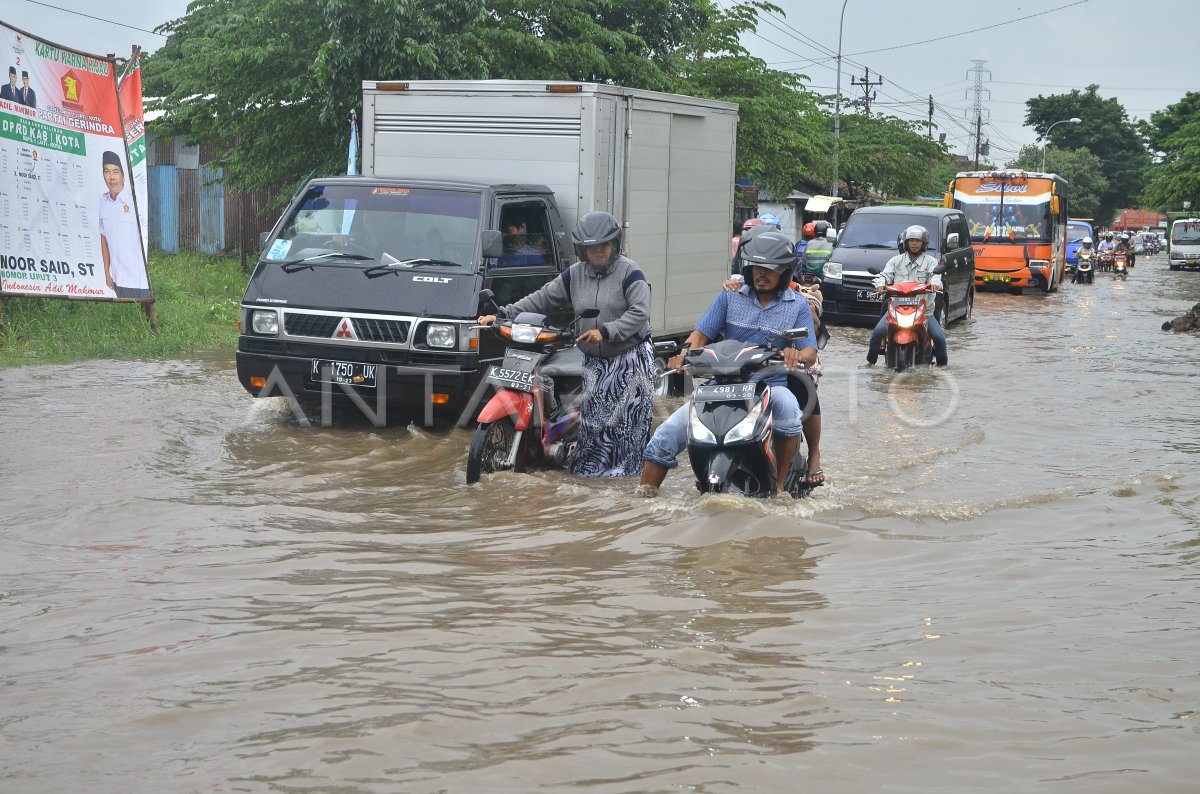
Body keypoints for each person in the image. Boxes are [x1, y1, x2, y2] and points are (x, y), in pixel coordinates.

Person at [636, 231, 820, 497]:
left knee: (790, 413)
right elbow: (699, 336)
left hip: (770, 385)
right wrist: (683, 354)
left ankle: (779, 487)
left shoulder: (797, 305)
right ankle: (643, 498)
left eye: (770, 269)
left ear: (785, 272)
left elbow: (810, 353)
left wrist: (795, 354)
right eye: (756, 268)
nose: (762, 274)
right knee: (666, 433)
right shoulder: (729, 296)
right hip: (721, 385)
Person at [477, 211, 654, 477]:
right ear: (582, 250)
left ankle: (627, 483)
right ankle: (591, 482)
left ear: (614, 245)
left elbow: (640, 312)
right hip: (595, 362)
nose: (599, 251)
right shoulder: (574, 275)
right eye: (593, 247)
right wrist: (503, 314)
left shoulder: (630, 272)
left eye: (604, 245)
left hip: (629, 358)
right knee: (594, 427)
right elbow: (541, 299)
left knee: (624, 426)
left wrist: (607, 332)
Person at [867, 224, 947, 366]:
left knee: (939, 339)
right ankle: (870, 364)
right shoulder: (895, 261)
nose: (914, 244)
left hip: (924, 311)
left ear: (923, 244)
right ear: (906, 243)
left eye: (918, 241)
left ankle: (942, 368)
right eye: (911, 241)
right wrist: (880, 283)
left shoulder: (930, 261)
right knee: (877, 333)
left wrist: (935, 284)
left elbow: (935, 276)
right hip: (897, 308)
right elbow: (885, 275)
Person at [98, 150, 151, 299]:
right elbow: (104, 239)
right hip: (117, 279)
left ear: (123, 175)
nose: (112, 177)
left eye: (116, 172)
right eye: (107, 172)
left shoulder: (134, 201)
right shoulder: (103, 201)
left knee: (140, 314)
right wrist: (107, 273)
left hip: (138, 280)